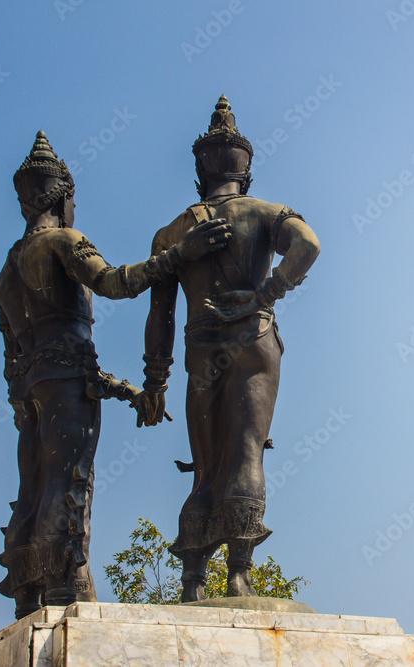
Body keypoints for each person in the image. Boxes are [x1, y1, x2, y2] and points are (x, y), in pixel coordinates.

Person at [0, 131, 228, 618]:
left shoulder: (7, 272)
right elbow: (115, 283)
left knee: (32, 487)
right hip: (63, 391)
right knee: (67, 481)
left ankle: (28, 597)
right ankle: (62, 590)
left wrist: (129, 392)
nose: (75, 209)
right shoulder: (64, 242)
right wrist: (177, 256)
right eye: (74, 199)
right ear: (62, 198)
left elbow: (26, 357)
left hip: (33, 391)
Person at [139, 96, 320, 602]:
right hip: (253, 337)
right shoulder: (264, 212)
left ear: (200, 172)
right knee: (245, 450)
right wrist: (267, 292)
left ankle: (192, 581)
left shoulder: (172, 233)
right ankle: (238, 574)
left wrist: (155, 381)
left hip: (200, 346)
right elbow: (309, 246)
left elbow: (161, 315)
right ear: (246, 171)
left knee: (204, 465)